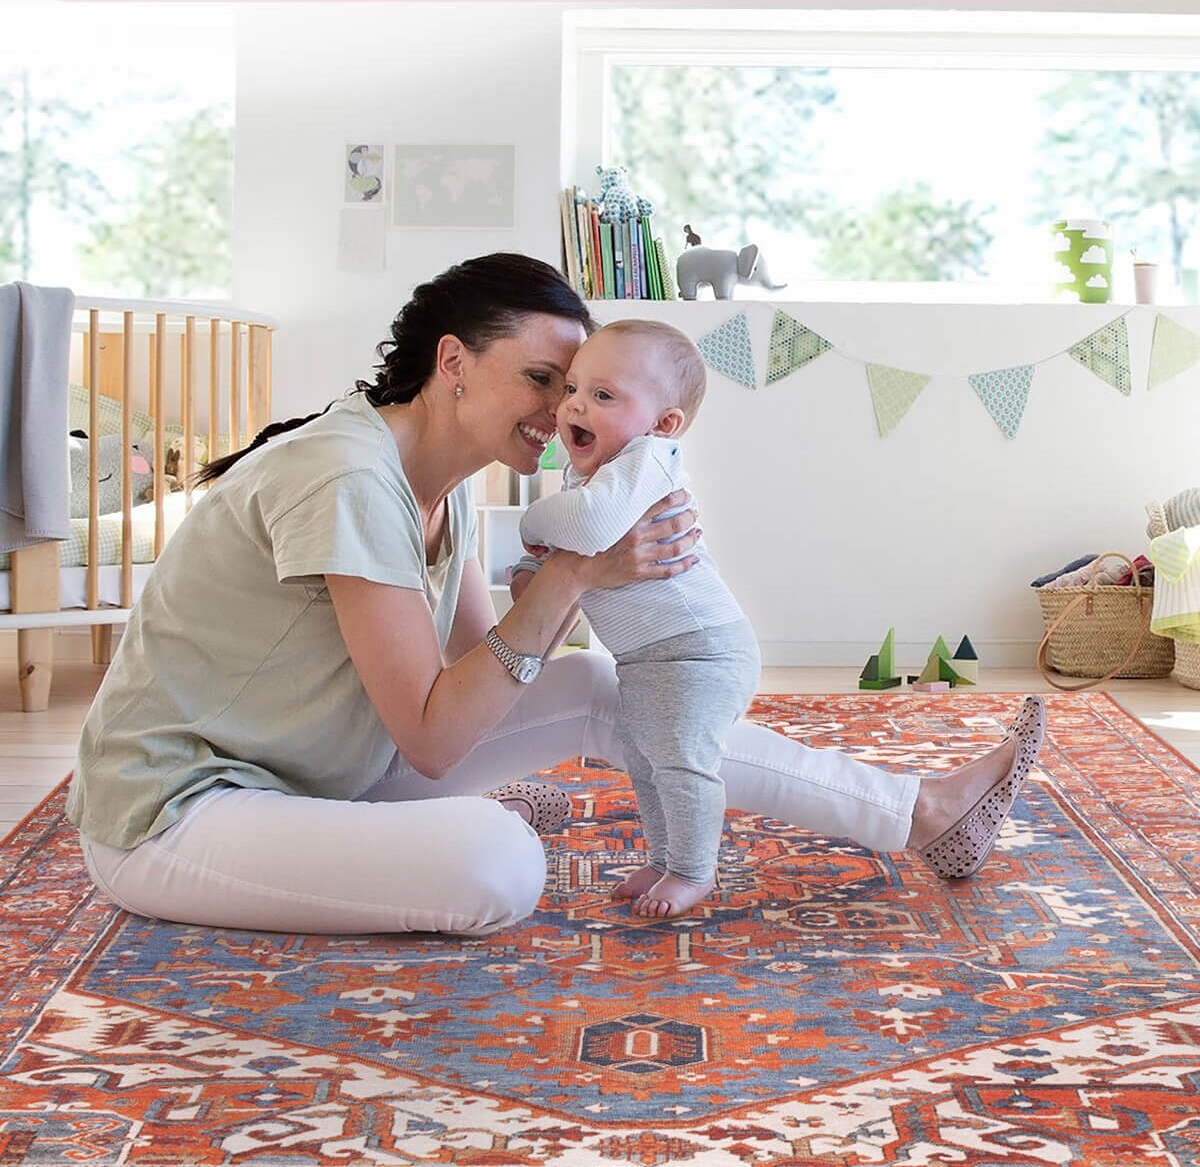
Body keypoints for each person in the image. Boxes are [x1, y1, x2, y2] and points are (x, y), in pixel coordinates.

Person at [67, 251, 1045, 941]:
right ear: (453, 362)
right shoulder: (348, 477)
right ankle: (403, 837)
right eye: (543, 377)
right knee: (498, 864)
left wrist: (594, 571)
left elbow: (491, 671)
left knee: (607, 689)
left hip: (327, 772)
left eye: (578, 384)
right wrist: (578, 570)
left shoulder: (444, 484)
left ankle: (921, 810)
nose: (566, 407)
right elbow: (437, 736)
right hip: (185, 809)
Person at [512, 319, 759, 918]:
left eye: (603, 396)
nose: (574, 405)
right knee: (644, 760)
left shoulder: (649, 457)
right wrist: (533, 564)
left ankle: (695, 869)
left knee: (679, 760)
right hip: (649, 657)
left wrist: (531, 527)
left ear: (662, 422)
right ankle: (664, 855)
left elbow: (589, 528)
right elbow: (565, 552)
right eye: (573, 388)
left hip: (698, 650)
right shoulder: (586, 477)